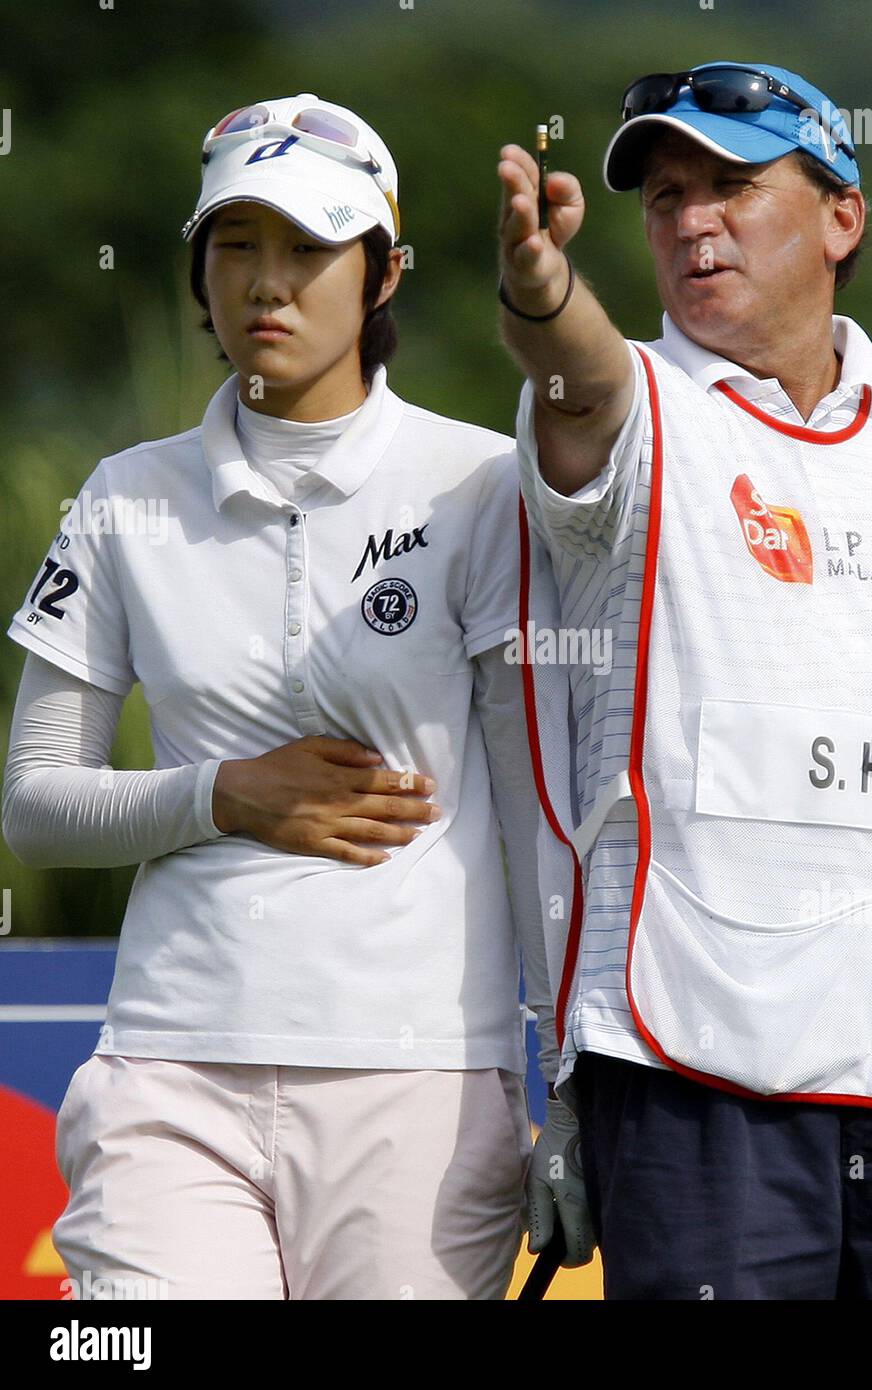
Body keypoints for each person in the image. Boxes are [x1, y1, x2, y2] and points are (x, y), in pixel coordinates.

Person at [496, 61, 872, 1299]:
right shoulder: (642, 403)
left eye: (730, 184)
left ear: (842, 217)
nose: (689, 221)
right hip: (707, 1060)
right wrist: (538, 290)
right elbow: (574, 375)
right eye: (665, 196)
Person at [3, 92, 586, 1300]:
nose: (268, 284)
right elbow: (35, 804)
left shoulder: (478, 481)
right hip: (169, 1070)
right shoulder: (123, 496)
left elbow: (538, 805)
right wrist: (224, 796)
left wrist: (566, 1078)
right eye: (236, 244)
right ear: (198, 268)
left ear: (385, 275)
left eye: (311, 247)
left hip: (419, 1076)